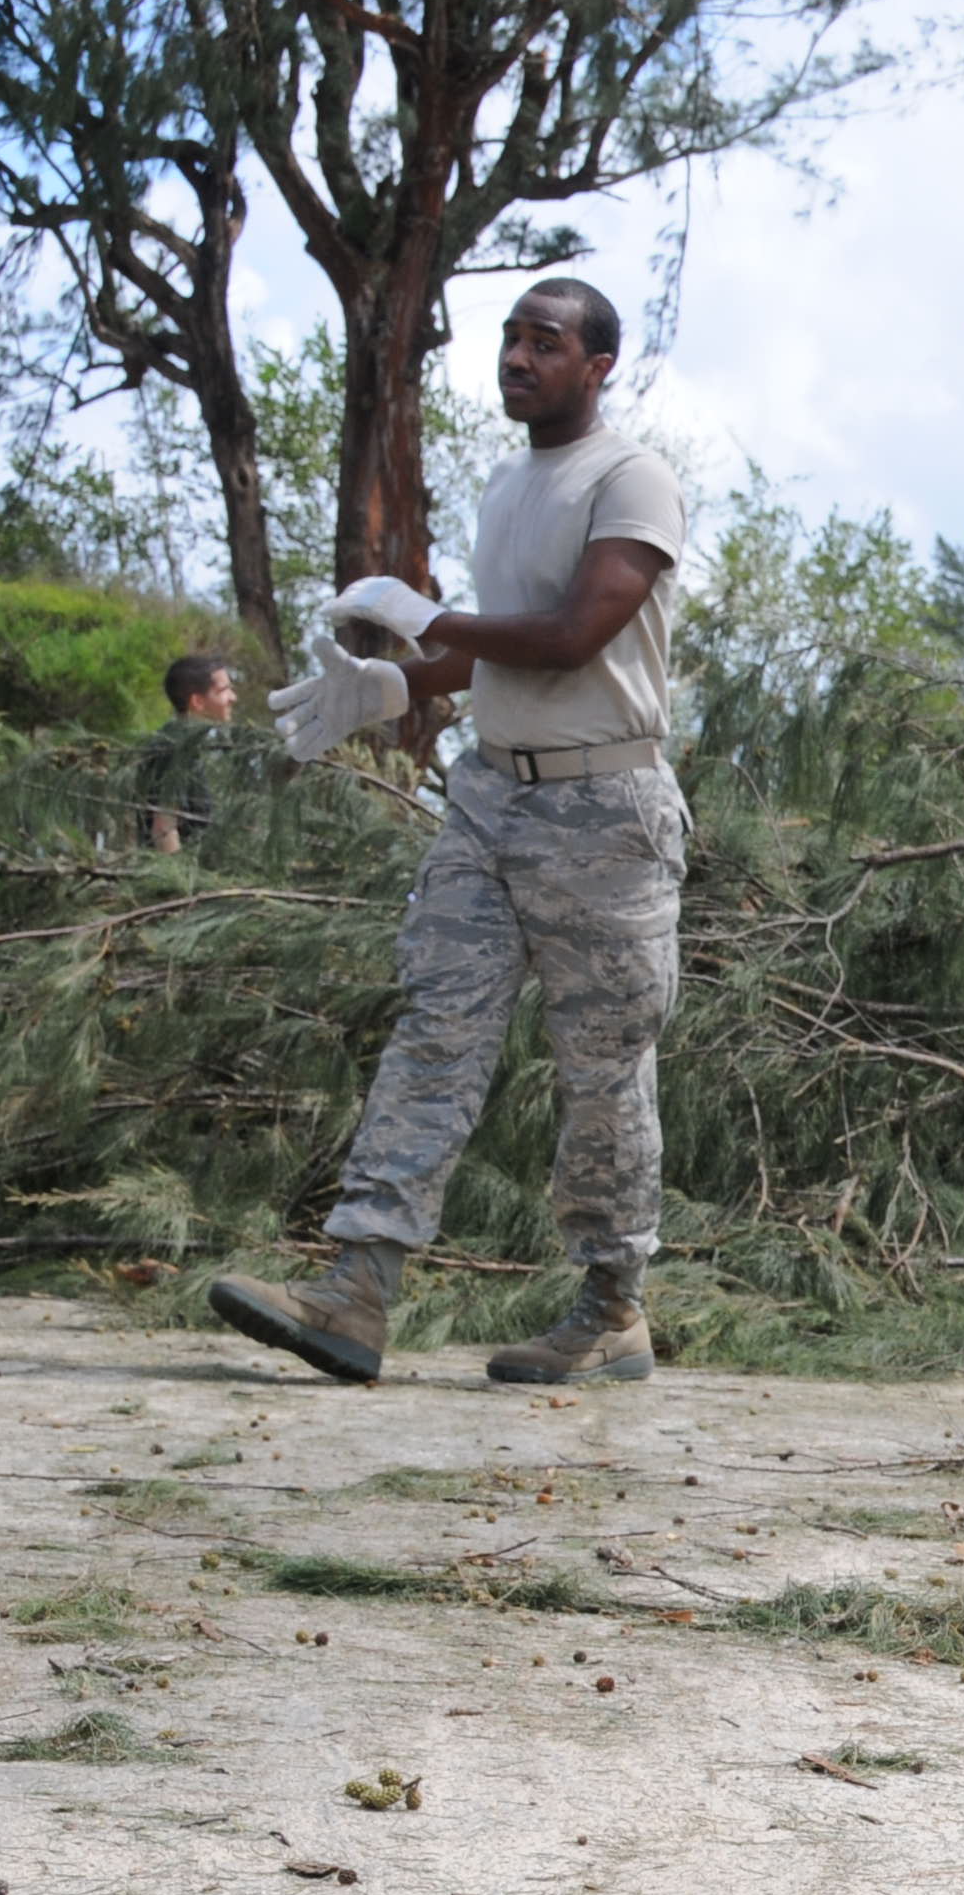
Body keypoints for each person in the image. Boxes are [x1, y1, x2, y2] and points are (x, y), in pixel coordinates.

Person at [210, 276, 688, 1389]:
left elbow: (572, 635)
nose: (517, 357)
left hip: (604, 813)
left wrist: (429, 617)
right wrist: (399, 684)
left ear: (598, 365)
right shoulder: (507, 482)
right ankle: (356, 1290)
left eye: (545, 342)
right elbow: (496, 647)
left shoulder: (631, 479)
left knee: (602, 1071)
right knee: (437, 1028)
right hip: (486, 799)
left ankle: (611, 1306)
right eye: (510, 338)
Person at [142, 652, 234, 855]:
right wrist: (178, 874)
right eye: (224, 690)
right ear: (198, 701)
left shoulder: (205, 747)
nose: (233, 698)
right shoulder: (174, 746)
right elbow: (164, 827)